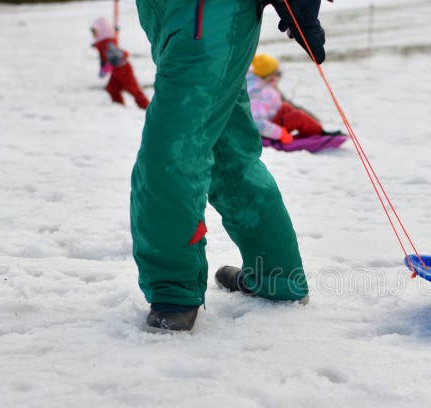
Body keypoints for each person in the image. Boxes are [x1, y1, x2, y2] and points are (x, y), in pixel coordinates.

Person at [131, 0, 327, 331]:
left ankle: (173, 289)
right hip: (171, 15)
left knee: (170, 150)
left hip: (208, 14)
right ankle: (276, 276)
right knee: (228, 150)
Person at [246, 54, 324, 145]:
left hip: (272, 119)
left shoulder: (262, 86)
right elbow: (258, 123)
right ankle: (320, 133)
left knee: (286, 107)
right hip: (265, 131)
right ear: (269, 76)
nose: (279, 76)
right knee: (297, 116)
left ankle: (316, 128)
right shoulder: (258, 94)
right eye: (277, 73)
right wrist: (281, 134)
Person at [90, 17, 149, 110]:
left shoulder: (108, 44)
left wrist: (105, 70)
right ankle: (118, 108)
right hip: (116, 71)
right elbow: (104, 59)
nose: (93, 35)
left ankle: (146, 107)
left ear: (101, 31)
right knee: (112, 88)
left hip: (123, 69)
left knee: (134, 90)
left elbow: (115, 58)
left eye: (94, 32)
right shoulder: (103, 43)